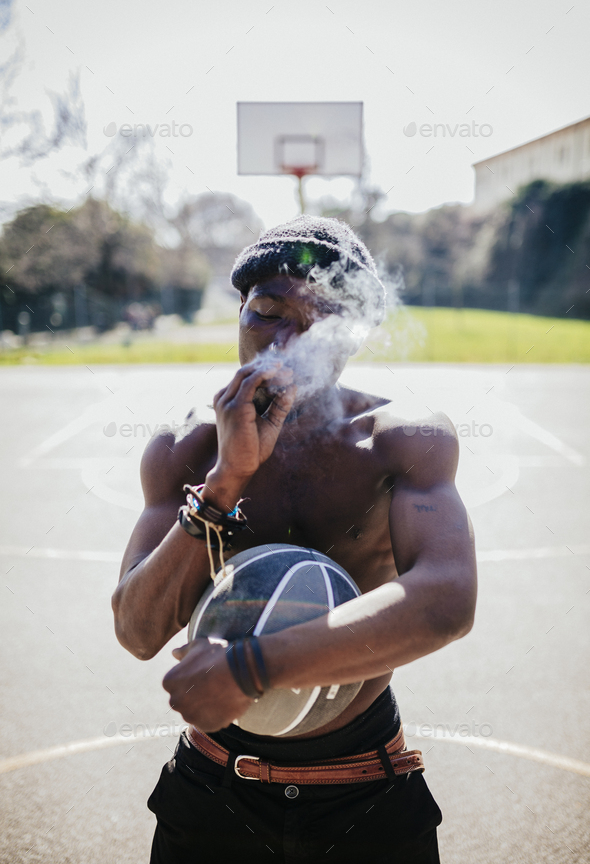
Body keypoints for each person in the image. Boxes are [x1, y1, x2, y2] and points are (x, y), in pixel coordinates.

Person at [112, 216, 477, 864]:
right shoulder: (186, 449)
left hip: (363, 789)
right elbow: (138, 630)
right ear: (240, 314)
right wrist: (226, 481)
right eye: (266, 311)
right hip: (214, 787)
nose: (284, 339)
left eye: (319, 320)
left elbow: (446, 599)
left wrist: (251, 668)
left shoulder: (403, 438)